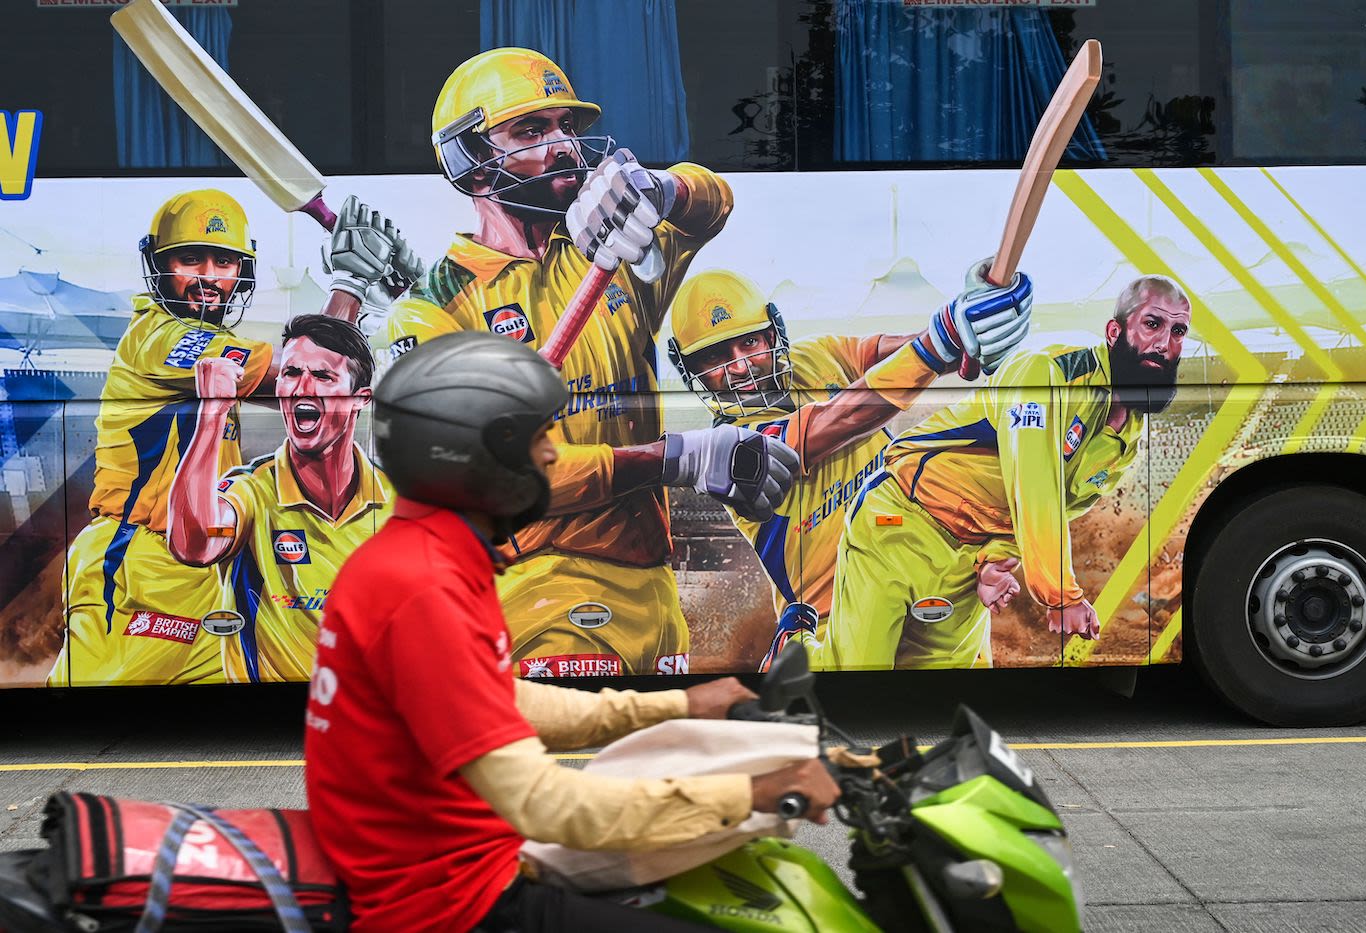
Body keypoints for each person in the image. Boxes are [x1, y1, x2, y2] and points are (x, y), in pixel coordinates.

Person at [303, 330, 840, 933]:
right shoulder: (424, 588)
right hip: (452, 903)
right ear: (475, 460)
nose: (556, 456)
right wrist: (760, 793)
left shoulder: (423, 556)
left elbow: (501, 703)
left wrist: (680, 703)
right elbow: (548, 805)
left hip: (463, 861)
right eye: (539, 440)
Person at [384, 47, 797, 677]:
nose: (564, 147)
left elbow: (714, 203)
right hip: (536, 590)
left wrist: (661, 188)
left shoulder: (611, 246)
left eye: (568, 128)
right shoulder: (432, 310)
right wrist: (676, 459)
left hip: (652, 582)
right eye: (531, 130)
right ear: (470, 160)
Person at [48, 190, 414, 687]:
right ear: (157, 264)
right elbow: (306, 371)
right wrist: (350, 284)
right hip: (135, 563)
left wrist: (380, 303)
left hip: (209, 557)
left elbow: (309, 393)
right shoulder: (159, 337)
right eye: (190, 259)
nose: (208, 277)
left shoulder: (215, 344)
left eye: (224, 261)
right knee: (95, 717)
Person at [665, 266, 1032, 670]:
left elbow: (904, 353)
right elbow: (839, 420)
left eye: (749, 342)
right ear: (689, 371)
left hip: (933, 586)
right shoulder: (731, 449)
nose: (738, 366)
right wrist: (936, 344)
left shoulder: (819, 357)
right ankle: (794, 648)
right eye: (715, 356)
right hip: (840, 620)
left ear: (773, 333)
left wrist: (967, 328)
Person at [818, 275, 1193, 669]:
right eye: (1153, 324)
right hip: (900, 525)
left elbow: (1054, 506)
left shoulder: (1128, 436)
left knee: (937, 688)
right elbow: (1034, 483)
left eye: (1178, 331)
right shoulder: (1046, 373)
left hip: (967, 560)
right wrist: (1060, 595)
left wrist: (992, 561)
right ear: (1115, 331)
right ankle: (796, 646)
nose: (1164, 343)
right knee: (857, 669)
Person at [167, 315, 387, 683]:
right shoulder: (253, 489)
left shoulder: (396, 499)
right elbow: (194, 545)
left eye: (322, 376)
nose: (303, 388)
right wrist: (212, 412)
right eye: (291, 373)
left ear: (359, 400)